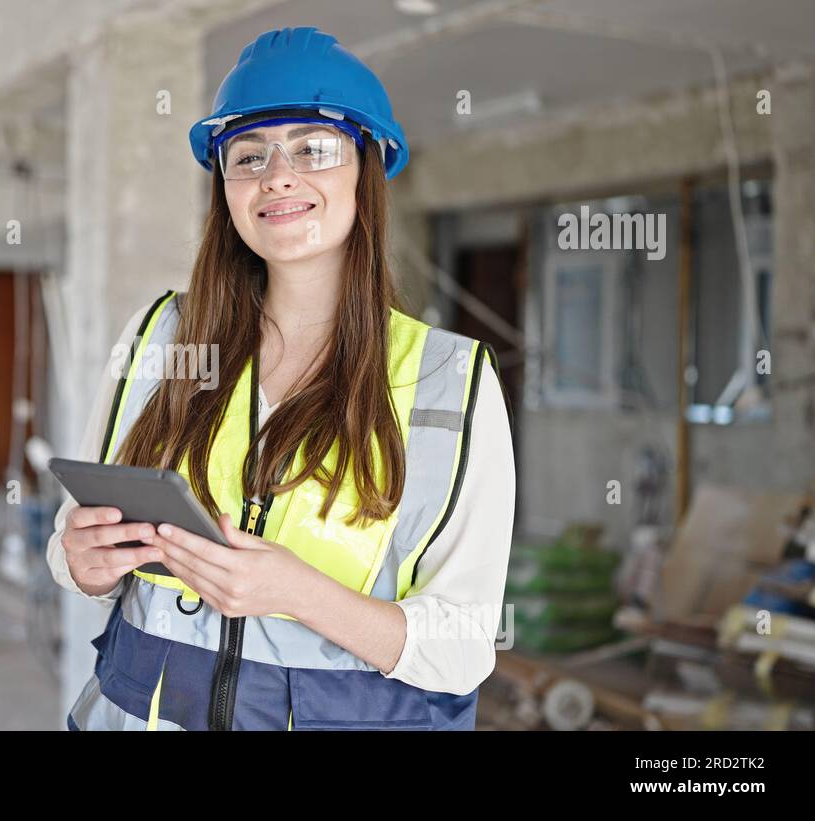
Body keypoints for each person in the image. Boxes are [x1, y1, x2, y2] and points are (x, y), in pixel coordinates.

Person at [48, 26, 515, 731]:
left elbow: (463, 647)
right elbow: (76, 543)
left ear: (366, 169)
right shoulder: (161, 339)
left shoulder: (453, 379)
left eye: (313, 148)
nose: (278, 176)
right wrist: (80, 560)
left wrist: (295, 590)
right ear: (225, 188)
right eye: (248, 155)